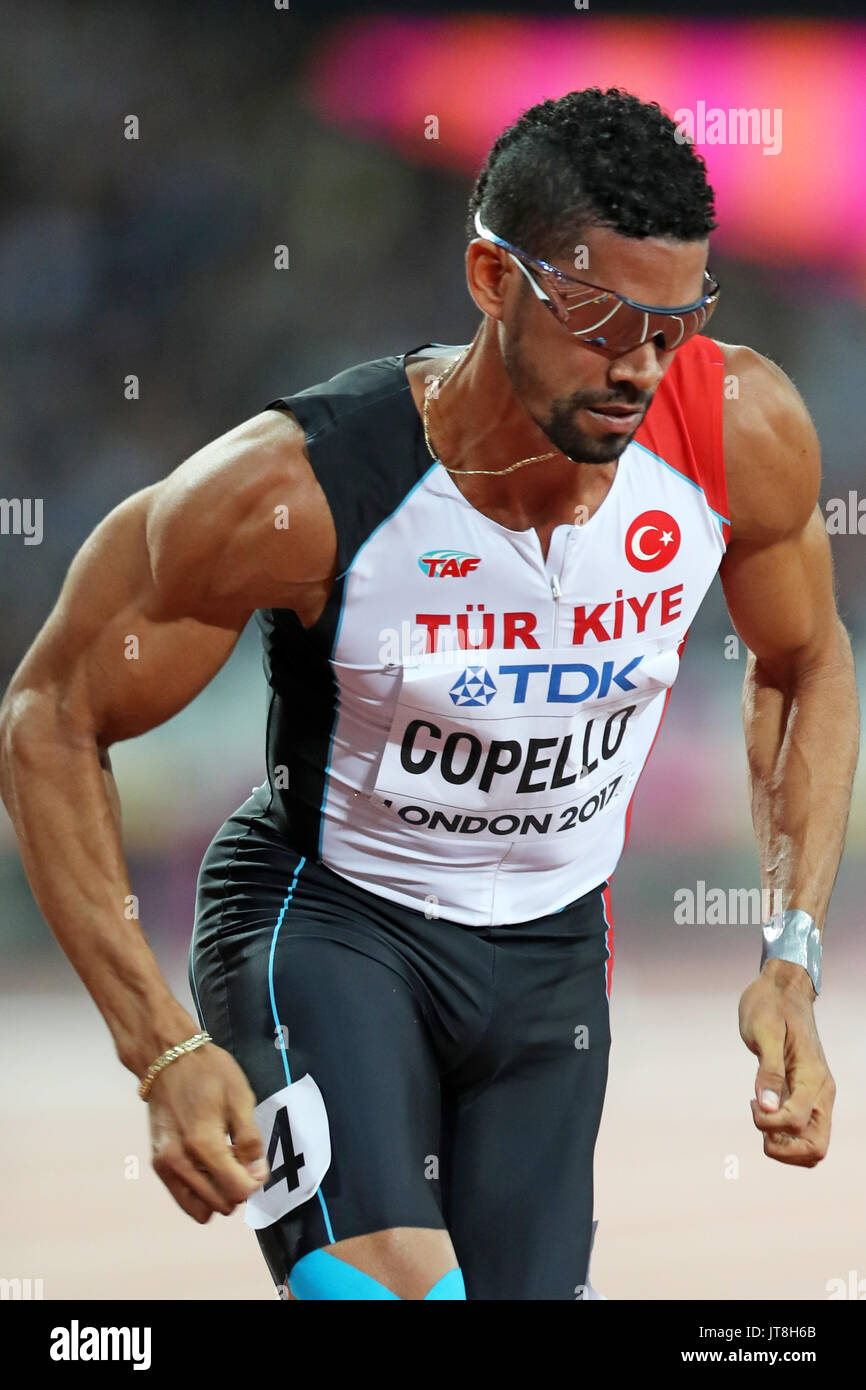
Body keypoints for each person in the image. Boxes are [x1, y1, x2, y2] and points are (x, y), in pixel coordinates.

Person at [0, 88, 857, 1301]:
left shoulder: (736, 431)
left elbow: (806, 661)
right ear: (488, 277)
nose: (639, 364)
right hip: (330, 925)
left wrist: (788, 950)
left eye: (672, 322)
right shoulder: (292, 492)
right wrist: (161, 1046)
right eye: (600, 317)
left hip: (554, 963)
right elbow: (50, 716)